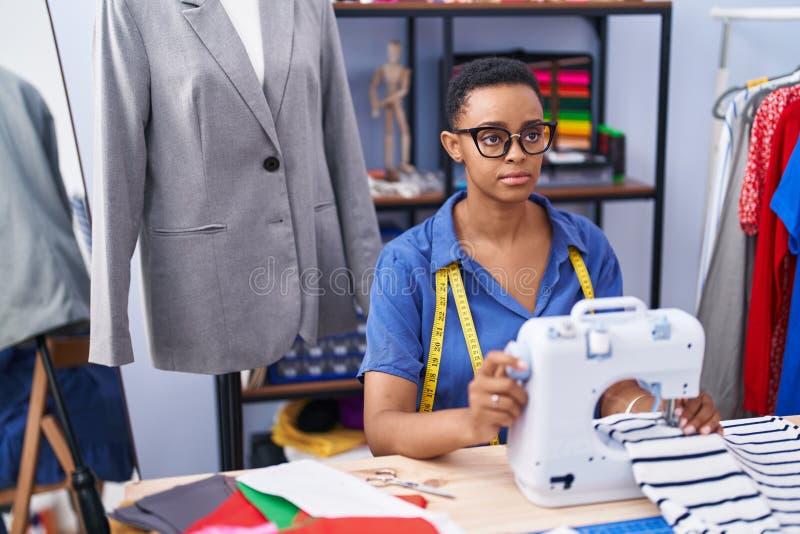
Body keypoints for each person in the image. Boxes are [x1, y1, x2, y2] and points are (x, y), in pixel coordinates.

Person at [358, 57, 721, 459]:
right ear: (454, 146)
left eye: (532, 134)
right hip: (464, 489)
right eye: (492, 138)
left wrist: (662, 413)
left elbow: (613, 389)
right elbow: (383, 429)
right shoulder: (407, 263)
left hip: (569, 473)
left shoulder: (586, 248)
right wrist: (472, 423)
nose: (517, 154)